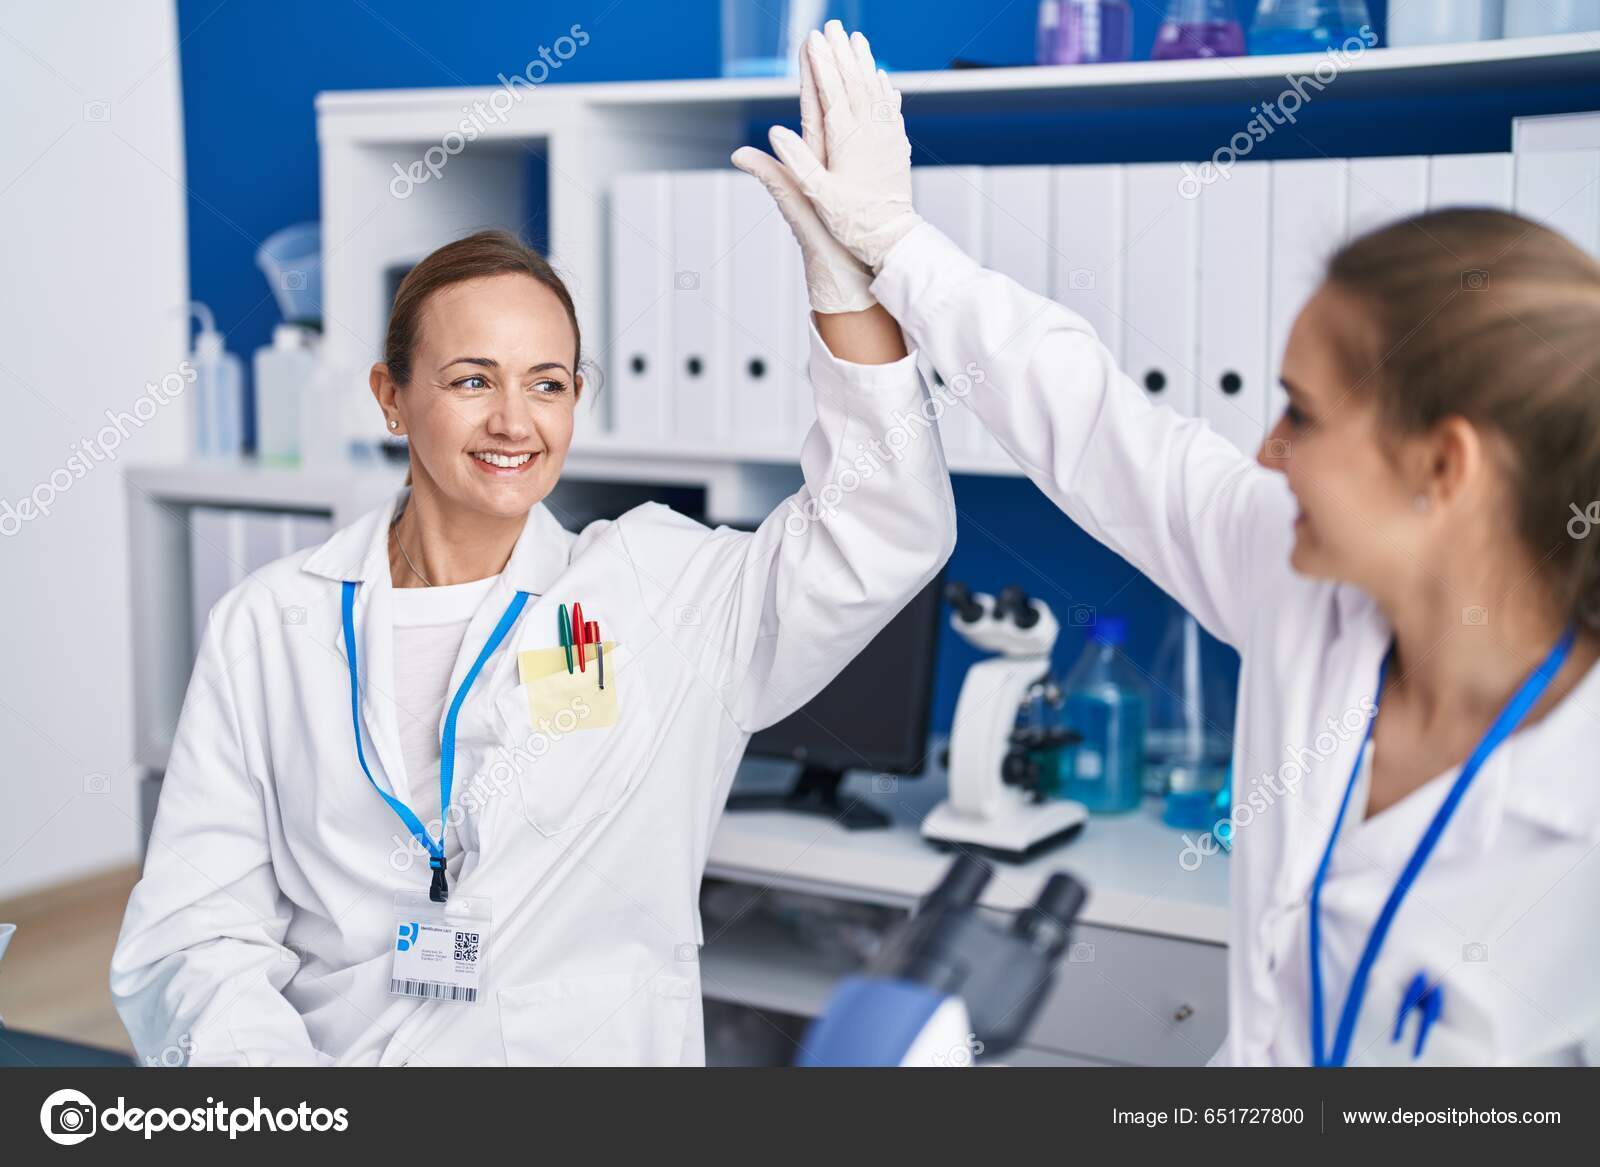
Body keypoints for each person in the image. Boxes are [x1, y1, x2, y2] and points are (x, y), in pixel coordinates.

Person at [734, 20, 1600, 1065]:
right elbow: (1093, 421)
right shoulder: (1301, 588)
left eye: (1304, 415)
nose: (1268, 452)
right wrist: (890, 244)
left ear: (1442, 467)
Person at [110, 221, 956, 1065]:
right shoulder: (267, 625)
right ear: (391, 396)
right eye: (473, 380)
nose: (515, 422)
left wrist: (848, 280)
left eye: (546, 385)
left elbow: (880, 528)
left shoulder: (657, 588)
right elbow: (194, 934)